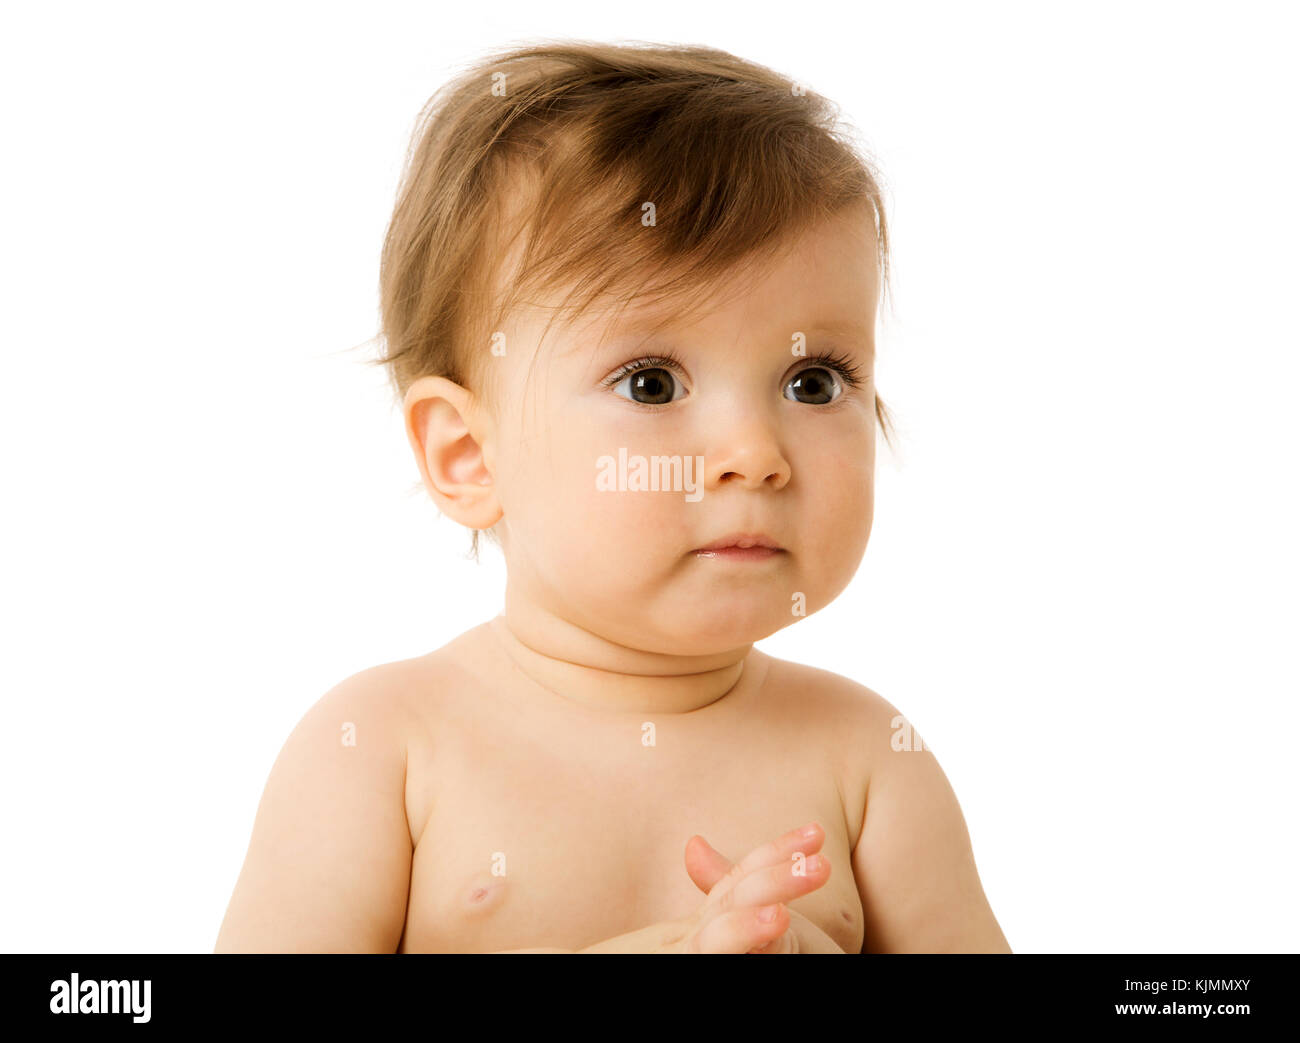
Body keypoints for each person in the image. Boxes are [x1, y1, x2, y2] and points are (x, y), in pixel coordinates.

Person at [215, 40, 1011, 954]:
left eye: (814, 380)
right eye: (650, 384)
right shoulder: (380, 753)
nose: (754, 456)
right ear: (471, 454)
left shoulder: (872, 763)